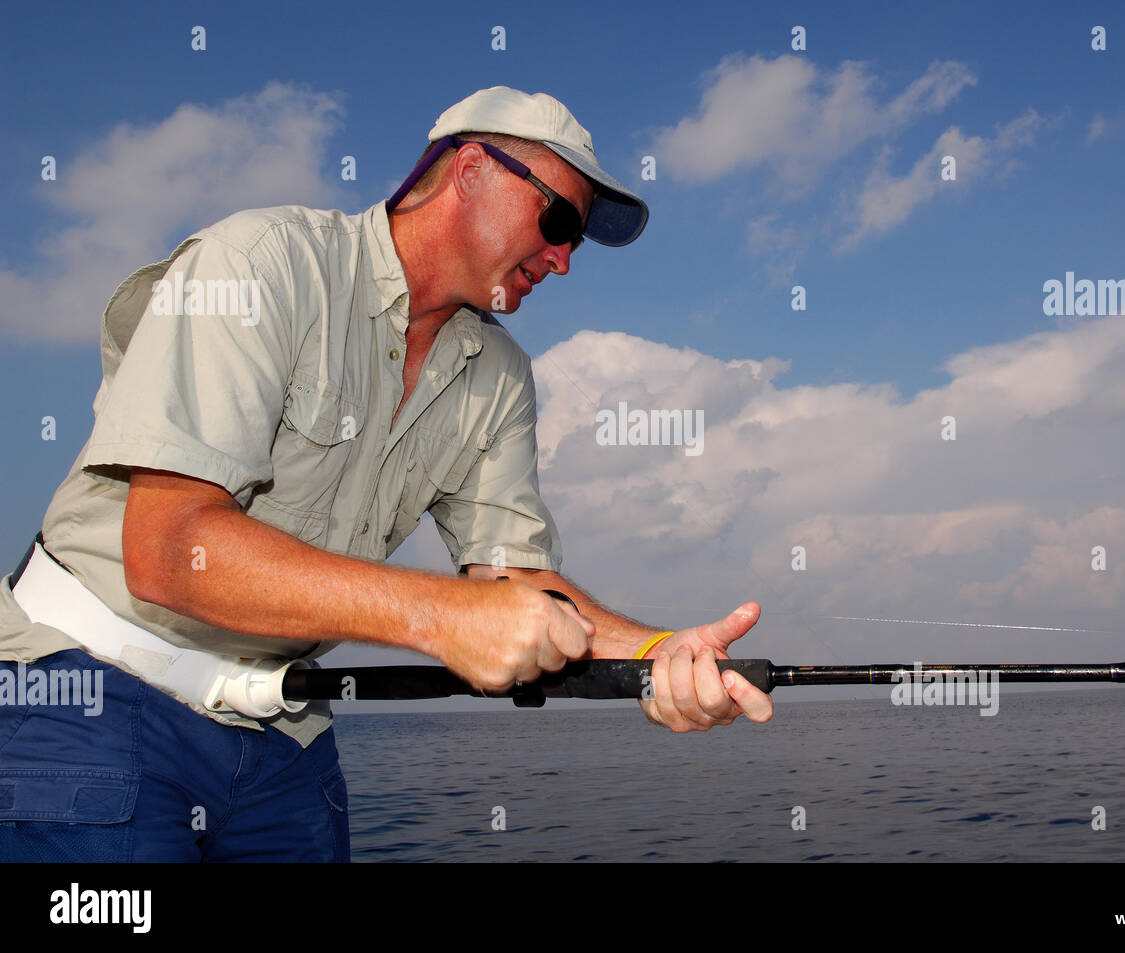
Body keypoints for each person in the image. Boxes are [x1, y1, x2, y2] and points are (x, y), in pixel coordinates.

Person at [0, 86, 773, 862]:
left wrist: (658, 656)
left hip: (283, 730)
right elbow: (168, 548)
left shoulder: (500, 377)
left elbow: (514, 584)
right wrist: (443, 617)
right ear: (470, 169)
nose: (564, 260)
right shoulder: (259, 263)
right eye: (559, 220)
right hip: (87, 690)